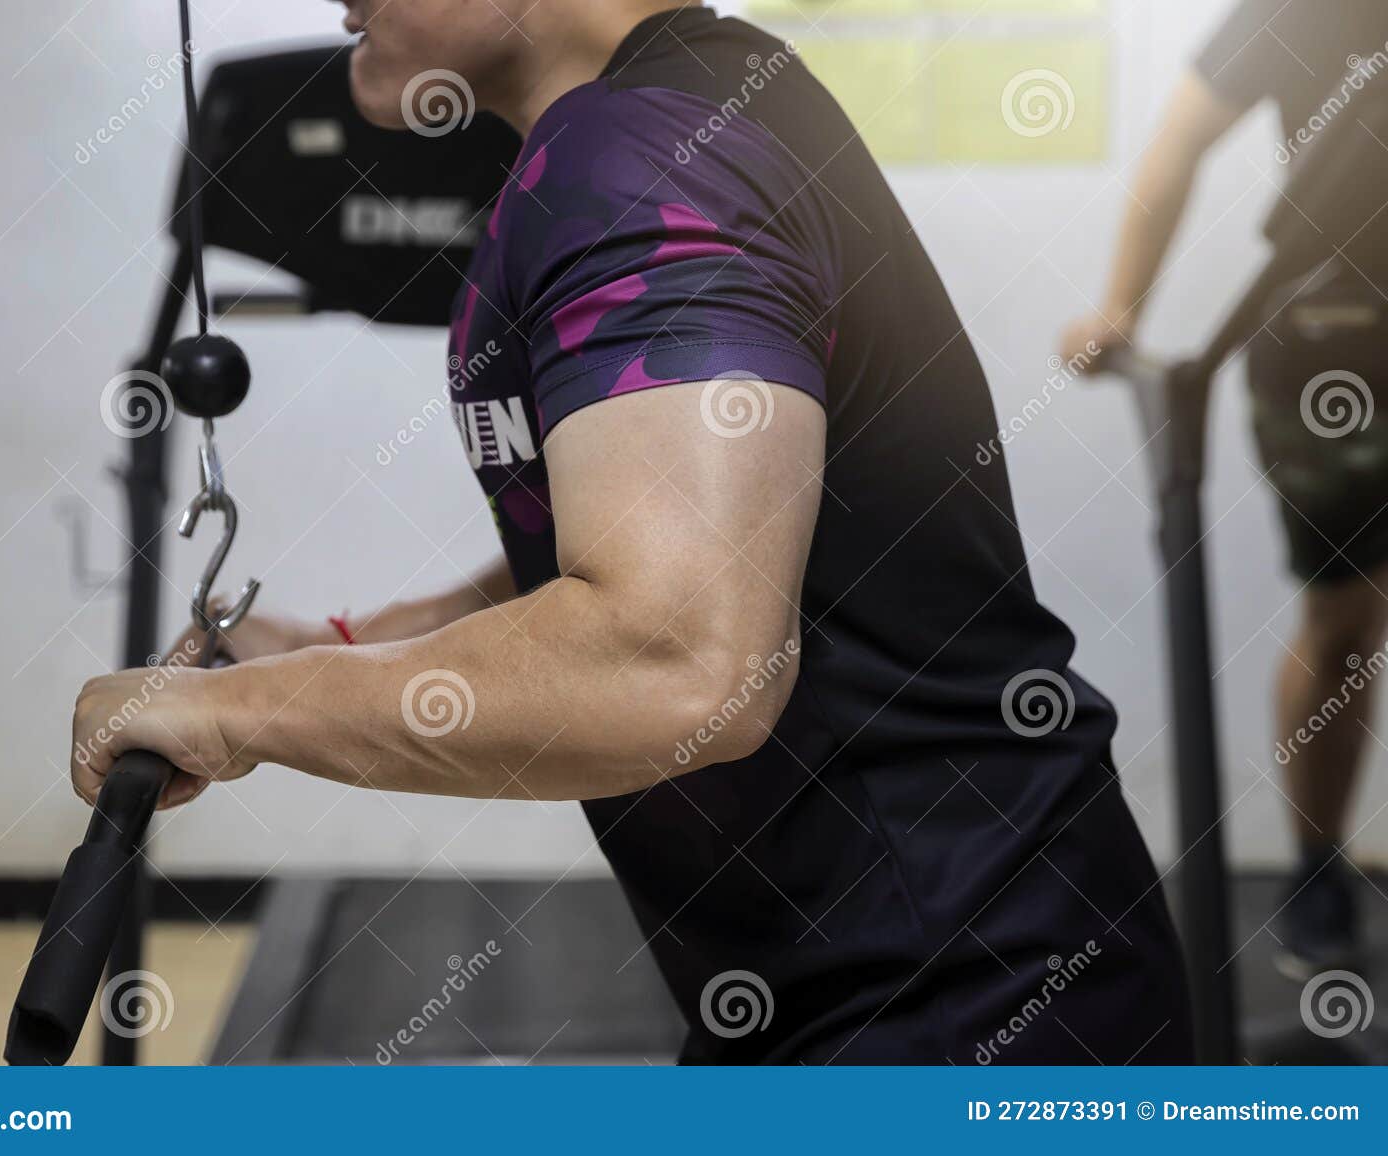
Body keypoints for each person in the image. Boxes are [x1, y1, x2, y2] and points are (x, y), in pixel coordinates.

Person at [73, 1, 1192, 1063]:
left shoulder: (637, 155)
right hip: (881, 978)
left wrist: (236, 712)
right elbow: (675, 541)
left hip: (957, 1002)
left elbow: (678, 659)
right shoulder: (692, 103)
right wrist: (351, 641)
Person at [1062, 0, 1388, 980]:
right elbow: (1177, 142)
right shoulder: (1302, 9)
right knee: (1342, 620)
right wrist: (1118, 308)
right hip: (1339, 344)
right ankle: (1314, 866)